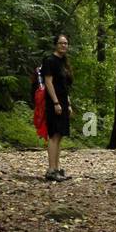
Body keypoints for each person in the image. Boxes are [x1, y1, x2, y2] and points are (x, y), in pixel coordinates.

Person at [43, 33, 73, 181]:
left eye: (66, 43)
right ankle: (51, 170)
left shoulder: (63, 62)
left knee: (59, 136)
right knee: (54, 135)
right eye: (61, 43)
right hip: (53, 102)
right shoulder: (50, 61)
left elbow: (65, 86)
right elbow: (48, 82)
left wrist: (68, 104)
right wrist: (56, 102)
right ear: (56, 44)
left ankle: (57, 168)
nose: (64, 45)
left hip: (63, 102)